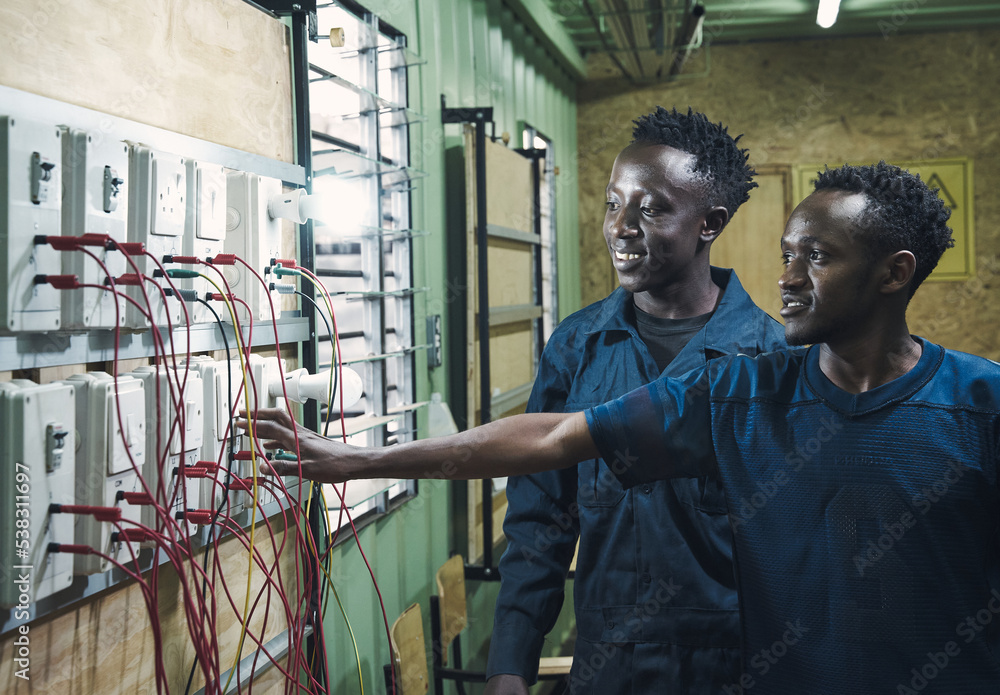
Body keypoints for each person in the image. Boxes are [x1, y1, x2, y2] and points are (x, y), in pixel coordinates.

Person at [243, 162, 1000, 694]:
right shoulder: (737, 391)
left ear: (893, 274)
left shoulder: (981, 405)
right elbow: (550, 442)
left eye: (818, 257)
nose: (789, 277)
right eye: (787, 254)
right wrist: (359, 459)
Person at [486, 106, 785, 695]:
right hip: (607, 665)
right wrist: (510, 663)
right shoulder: (577, 347)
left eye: (650, 209)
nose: (620, 226)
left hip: (738, 667)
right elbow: (541, 519)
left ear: (709, 222)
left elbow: (793, 540)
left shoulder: (771, 360)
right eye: (612, 202)